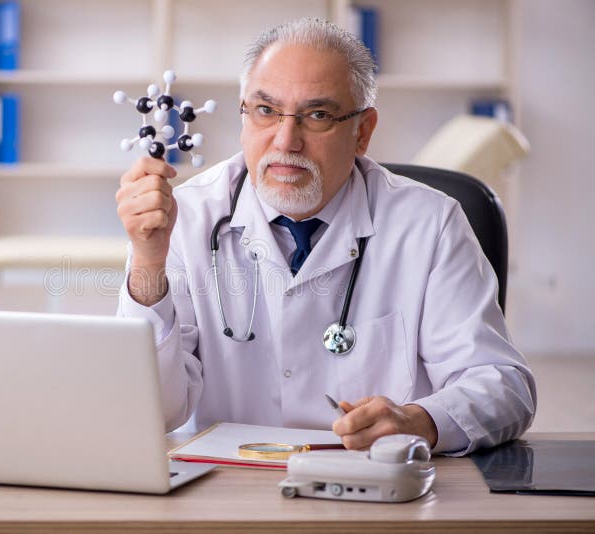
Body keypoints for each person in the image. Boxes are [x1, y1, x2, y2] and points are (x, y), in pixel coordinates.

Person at [114, 18, 536, 455]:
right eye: (265, 111)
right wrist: (147, 261)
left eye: (317, 115)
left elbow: (504, 386)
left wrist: (421, 421)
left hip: (373, 490)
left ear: (363, 132)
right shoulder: (185, 217)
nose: (286, 140)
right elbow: (151, 412)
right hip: (228, 490)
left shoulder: (430, 224)